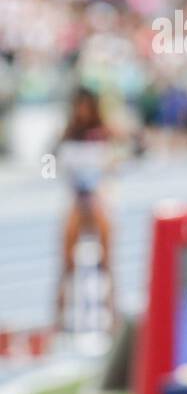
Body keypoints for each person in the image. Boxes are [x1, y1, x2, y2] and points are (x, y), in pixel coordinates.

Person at [53, 85, 118, 330]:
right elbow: (53, 163)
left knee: (108, 261)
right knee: (66, 261)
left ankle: (113, 316)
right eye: (78, 106)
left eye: (86, 106)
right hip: (76, 201)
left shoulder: (104, 132)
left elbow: (120, 159)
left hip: (99, 199)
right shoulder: (66, 134)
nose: (82, 111)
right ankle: (59, 316)